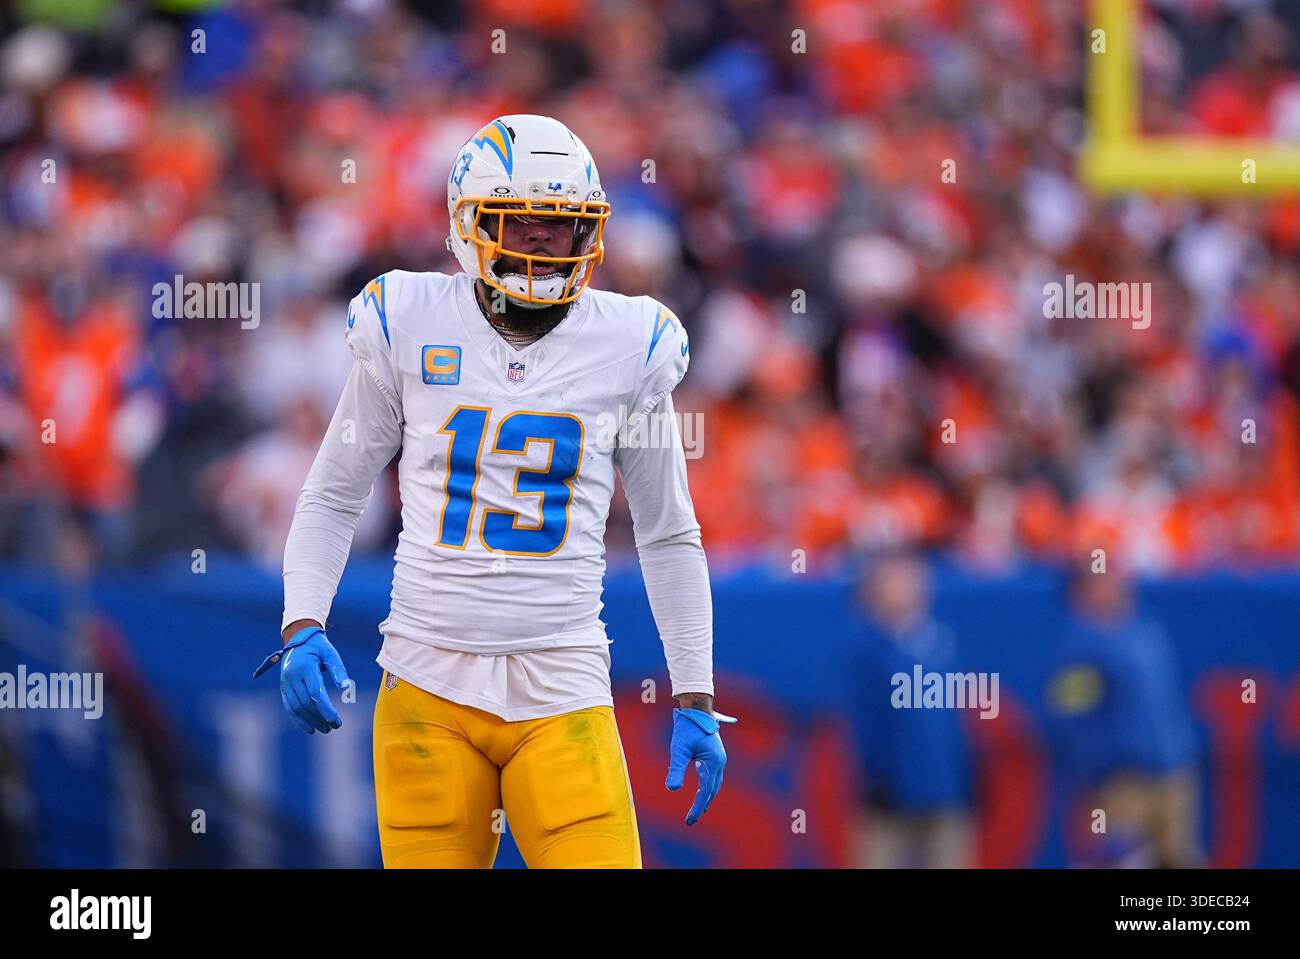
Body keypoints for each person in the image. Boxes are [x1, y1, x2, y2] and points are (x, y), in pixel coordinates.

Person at [254, 115, 734, 868]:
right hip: (426, 680)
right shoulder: (409, 322)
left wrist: (695, 693)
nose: (544, 242)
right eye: (524, 221)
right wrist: (300, 621)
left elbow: (668, 531)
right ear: (469, 221)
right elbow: (333, 493)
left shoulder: (628, 344)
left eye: (562, 225)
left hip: (563, 685)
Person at [1045, 560, 1203, 867]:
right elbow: (1072, 721)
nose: (1118, 582)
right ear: (1083, 592)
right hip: (1122, 786)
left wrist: (1181, 754)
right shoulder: (1080, 647)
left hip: (1174, 774)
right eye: (1104, 579)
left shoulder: (1145, 631)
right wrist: (1096, 777)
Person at [846, 551, 975, 868]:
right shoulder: (866, 646)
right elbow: (868, 722)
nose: (914, 585)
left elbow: (952, 719)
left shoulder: (940, 640)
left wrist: (966, 771)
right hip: (888, 795)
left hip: (946, 790)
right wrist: (876, 778)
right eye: (900, 578)